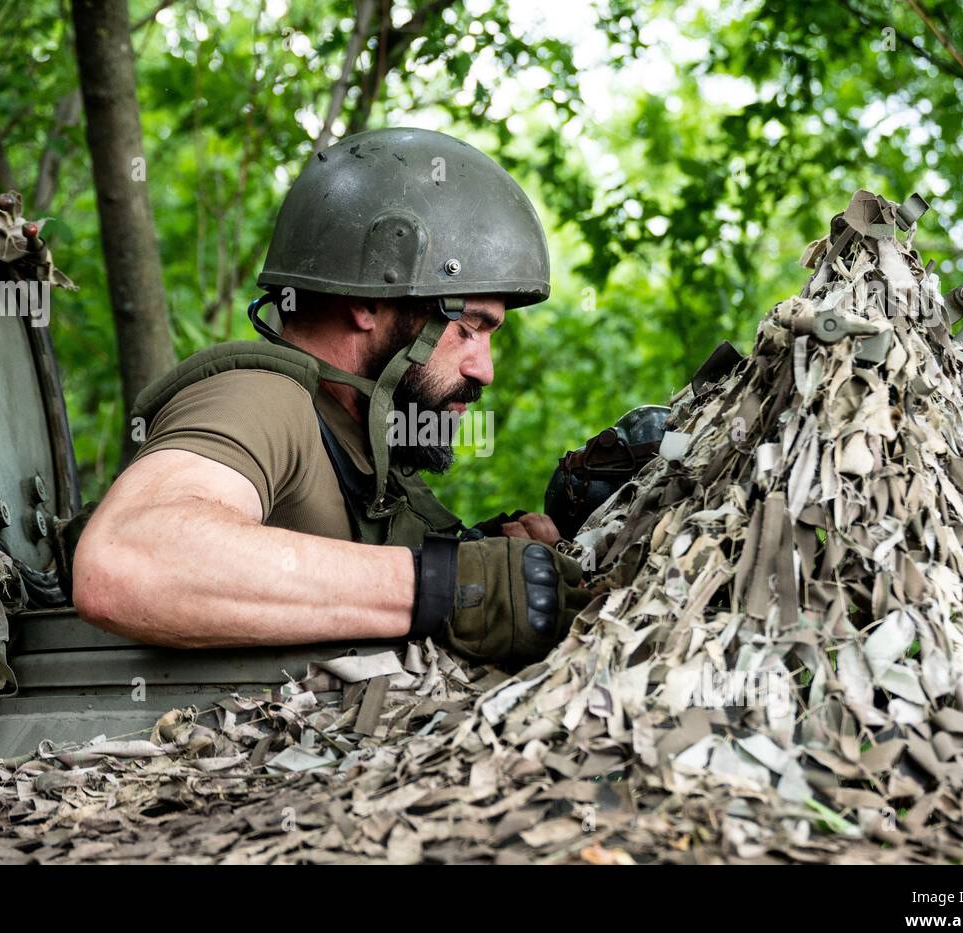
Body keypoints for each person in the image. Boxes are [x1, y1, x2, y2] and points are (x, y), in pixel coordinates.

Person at [72, 128, 590, 664]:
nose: (484, 371)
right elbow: (125, 560)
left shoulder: (367, 442)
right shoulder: (261, 400)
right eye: (470, 329)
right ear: (371, 303)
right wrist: (444, 586)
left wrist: (484, 558)